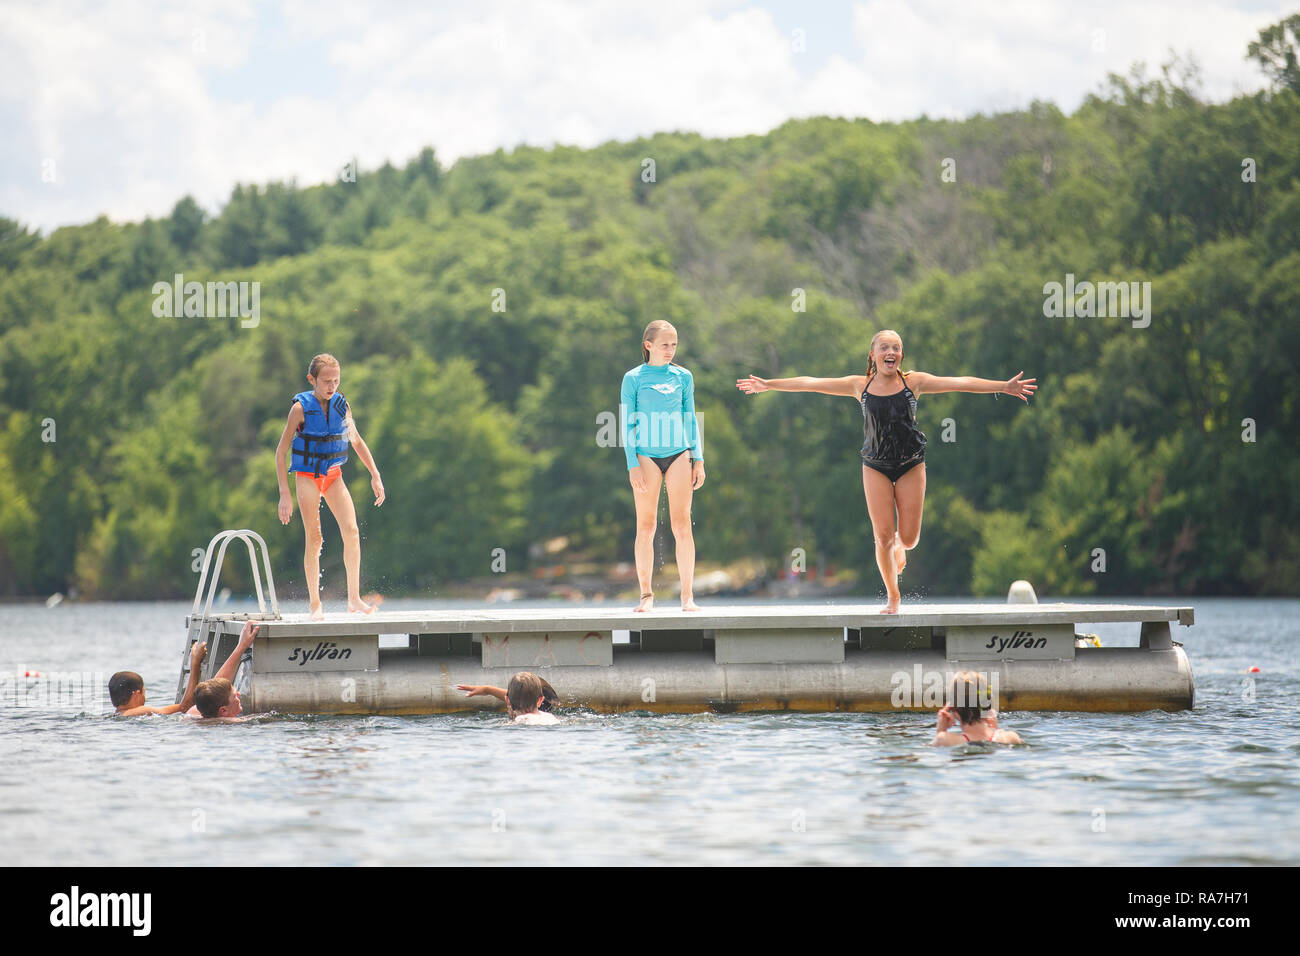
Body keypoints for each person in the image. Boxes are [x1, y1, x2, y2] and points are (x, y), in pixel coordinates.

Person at [736, 329, 1036, 613]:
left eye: (896, 348)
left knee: (908, 540)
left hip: (910, 465)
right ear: (873, 355)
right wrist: (769, 384)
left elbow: (960, 382)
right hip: (875, 466)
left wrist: (1003, 386)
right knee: (882, 538)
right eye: (884, 347)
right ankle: (893, 596)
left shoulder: (913, 383)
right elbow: (812, 382)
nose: (890, 352)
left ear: (901, 356)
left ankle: (899, 546)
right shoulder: (860, 385)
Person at [275, 353, 386, 620]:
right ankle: (315, 604)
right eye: (326, 381)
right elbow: (281, 452)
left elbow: (356, 441)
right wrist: (284, 494)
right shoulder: (300, 409)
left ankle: (354, 599)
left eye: (336, 380)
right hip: (307, 476)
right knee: (315, 538)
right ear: (311, 379)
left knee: (351, 530)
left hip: (334, 475)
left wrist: (375, 474)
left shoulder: (341, 405)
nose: (331, 386)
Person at [620, 320, 706, 612]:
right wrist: (633, 463)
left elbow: (691, 418)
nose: (670, 350)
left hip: (680, 453)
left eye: (674, 345)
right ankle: (646, 595)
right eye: (665, 344)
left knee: (682, 525)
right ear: (648, 345)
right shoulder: (633, 378)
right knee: (645, 526)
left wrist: (699, 459)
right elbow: (627, 422)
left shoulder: (683, 376)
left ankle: (687, 596)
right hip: (645, 456)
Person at [110, 640, 207, 716]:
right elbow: (185, 708)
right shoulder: (141, 711)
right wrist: (195, 663)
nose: (144, 698)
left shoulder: (117, 715)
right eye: (144, 692)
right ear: (136, 694)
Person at [188, 621, 259, 719]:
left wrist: (242, 645)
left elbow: (215, 689)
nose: (239, 694)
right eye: (234, 696)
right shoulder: (235, 722)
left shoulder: (195, 713)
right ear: (224, 710)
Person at [932, 671, 1022, 746]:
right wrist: (995, 730)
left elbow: (935, 754)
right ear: (988, 706)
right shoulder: (1010, 738)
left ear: (953, 708)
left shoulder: (945, 739)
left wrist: (940, 730)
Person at [457, 675, 558, 712]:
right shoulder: (551, 719)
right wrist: (487, 689)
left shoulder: (519, 722)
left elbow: (518, 697)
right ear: (540, 700)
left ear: (508, 700)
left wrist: (487, 689)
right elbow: (523, 697)